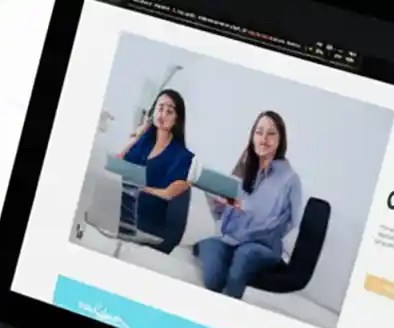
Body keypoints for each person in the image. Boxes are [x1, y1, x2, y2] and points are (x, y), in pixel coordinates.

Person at [194, 110, 304, 298]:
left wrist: (247, 210)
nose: (264, 138)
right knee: (213, 278)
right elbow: (223, 217)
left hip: (262, 247)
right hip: (230, 240)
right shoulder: (244, 170)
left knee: (245, 255)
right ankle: (205, 249)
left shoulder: (290, 179)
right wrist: (218, 202)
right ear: (252, 136)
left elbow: (293, 222)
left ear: (280, 140)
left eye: (271, 133)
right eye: (259, 132)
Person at [115, 89, 195, 253]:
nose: (163, 114)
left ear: (177, 119)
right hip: (124, 213)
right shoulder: (142, 142)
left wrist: (140, 188)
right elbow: (116, 165)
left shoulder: (183, 157)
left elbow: (169, 194)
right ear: (153, 111)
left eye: (169, 111)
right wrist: (137, 135)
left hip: (150, 223)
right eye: (160, 108)